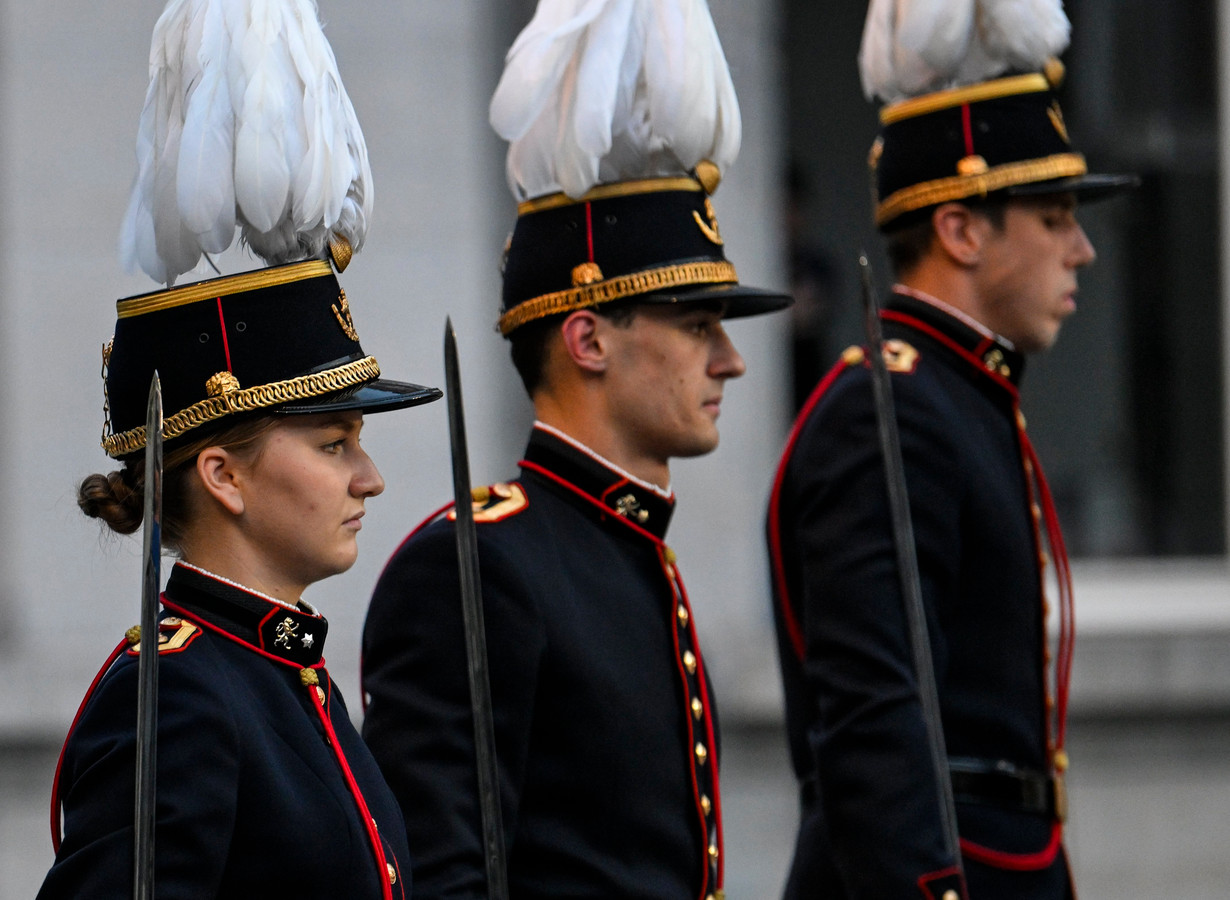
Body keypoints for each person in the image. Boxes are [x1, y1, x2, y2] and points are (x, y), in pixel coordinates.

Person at [360, 2, 790, 897]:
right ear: (589, 341)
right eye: (698, 325)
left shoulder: (631, 554)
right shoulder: (478, 569)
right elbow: (448, 878)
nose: (732, 359)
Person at [39, 3, 440, 897]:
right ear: (222, 475)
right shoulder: (179, 699)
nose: (370, 479)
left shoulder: (285, 677)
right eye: (335, 443)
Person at [766, 5, 1136, 897]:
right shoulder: (889, 412)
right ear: (962, 231)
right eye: (1054, 218)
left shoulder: (959, 397)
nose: (1083, 250)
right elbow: (876, 728)